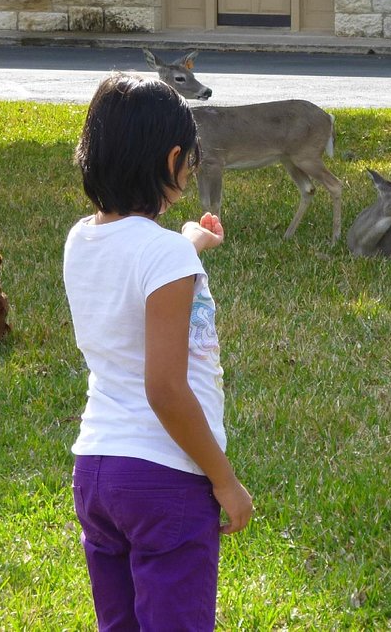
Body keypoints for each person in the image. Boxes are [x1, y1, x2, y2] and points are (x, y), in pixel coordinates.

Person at [64, 73, 253, 631]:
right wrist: (223, 480)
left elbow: (138, 267)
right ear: (174, 160)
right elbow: (166, 388)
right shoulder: (165, 257)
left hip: (97, 469)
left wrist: (190, 242)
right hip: (165, 479)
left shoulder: (82, 239)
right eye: (191, 166)